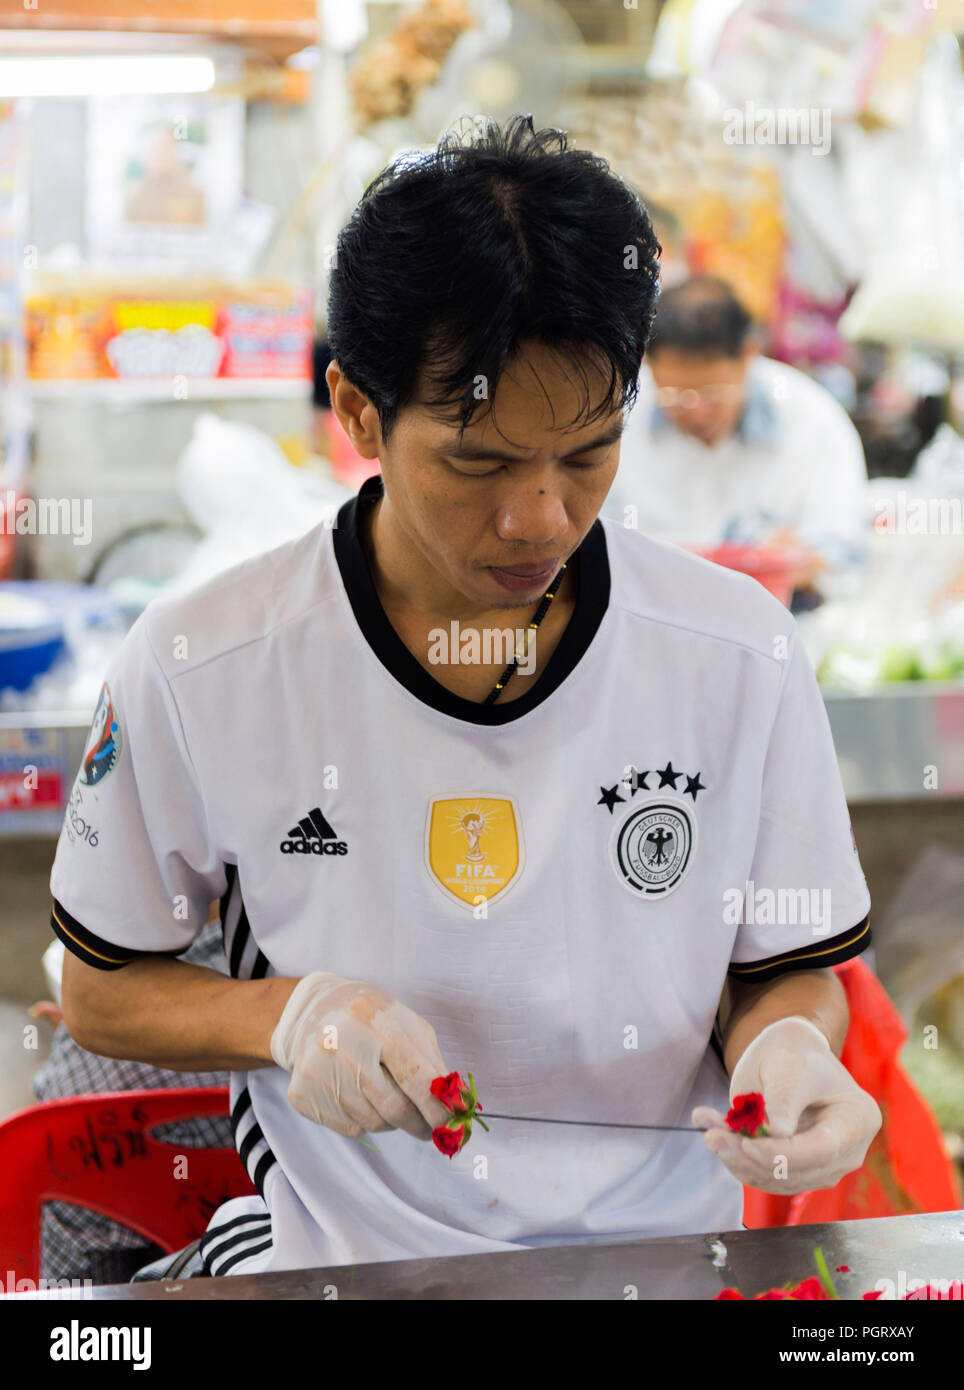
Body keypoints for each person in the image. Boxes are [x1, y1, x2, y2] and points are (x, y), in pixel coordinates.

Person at [50, 116, 880, 1281]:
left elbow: (782, 963)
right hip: (344, 1259)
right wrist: (289, 1016)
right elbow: (101, 987)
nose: (538, 517)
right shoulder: (207, 664)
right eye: (480, 463)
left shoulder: (733, 650)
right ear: (357, 414)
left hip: (667, 1262)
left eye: (587, 453)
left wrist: (792, 1043)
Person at [603, 276, 871, 594]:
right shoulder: (618, 419)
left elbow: (843, 550)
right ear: (648, 363)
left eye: (714, 395)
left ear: (748, 354)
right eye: (677, 397)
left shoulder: (811, 419)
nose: (698, 412)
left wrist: (792, 561)